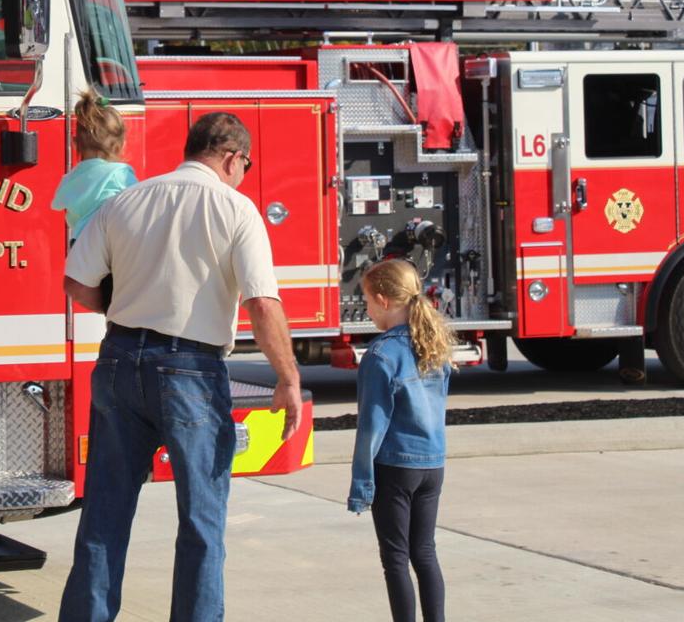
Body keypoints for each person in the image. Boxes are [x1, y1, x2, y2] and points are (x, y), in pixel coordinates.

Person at [58, 111, 301, 622]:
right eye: (246, 164)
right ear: (232, 156)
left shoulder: (127, 199)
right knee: (201, 522)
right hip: (192, 370)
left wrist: (125, 309)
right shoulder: (235, 209)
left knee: (105, 515)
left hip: (120, 360)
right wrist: (288, 377)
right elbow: (262, 304)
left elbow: (77, 284)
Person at [347, 257, 455, 622]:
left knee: (395, 558)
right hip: (432, 464)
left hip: (395, 467)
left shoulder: (380, 355)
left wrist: (362, 484)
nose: (367, 311)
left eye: (366, 303)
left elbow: (372, 427)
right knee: (424, 552)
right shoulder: (434, 345)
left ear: (383, 299)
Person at [52, 89, 138, 241]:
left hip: (79, 245)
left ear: (75, 143)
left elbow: (63, 210)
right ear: (120, 146)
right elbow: (137, 209)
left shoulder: (71, 178)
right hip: (108, 246)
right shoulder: (120, 174)